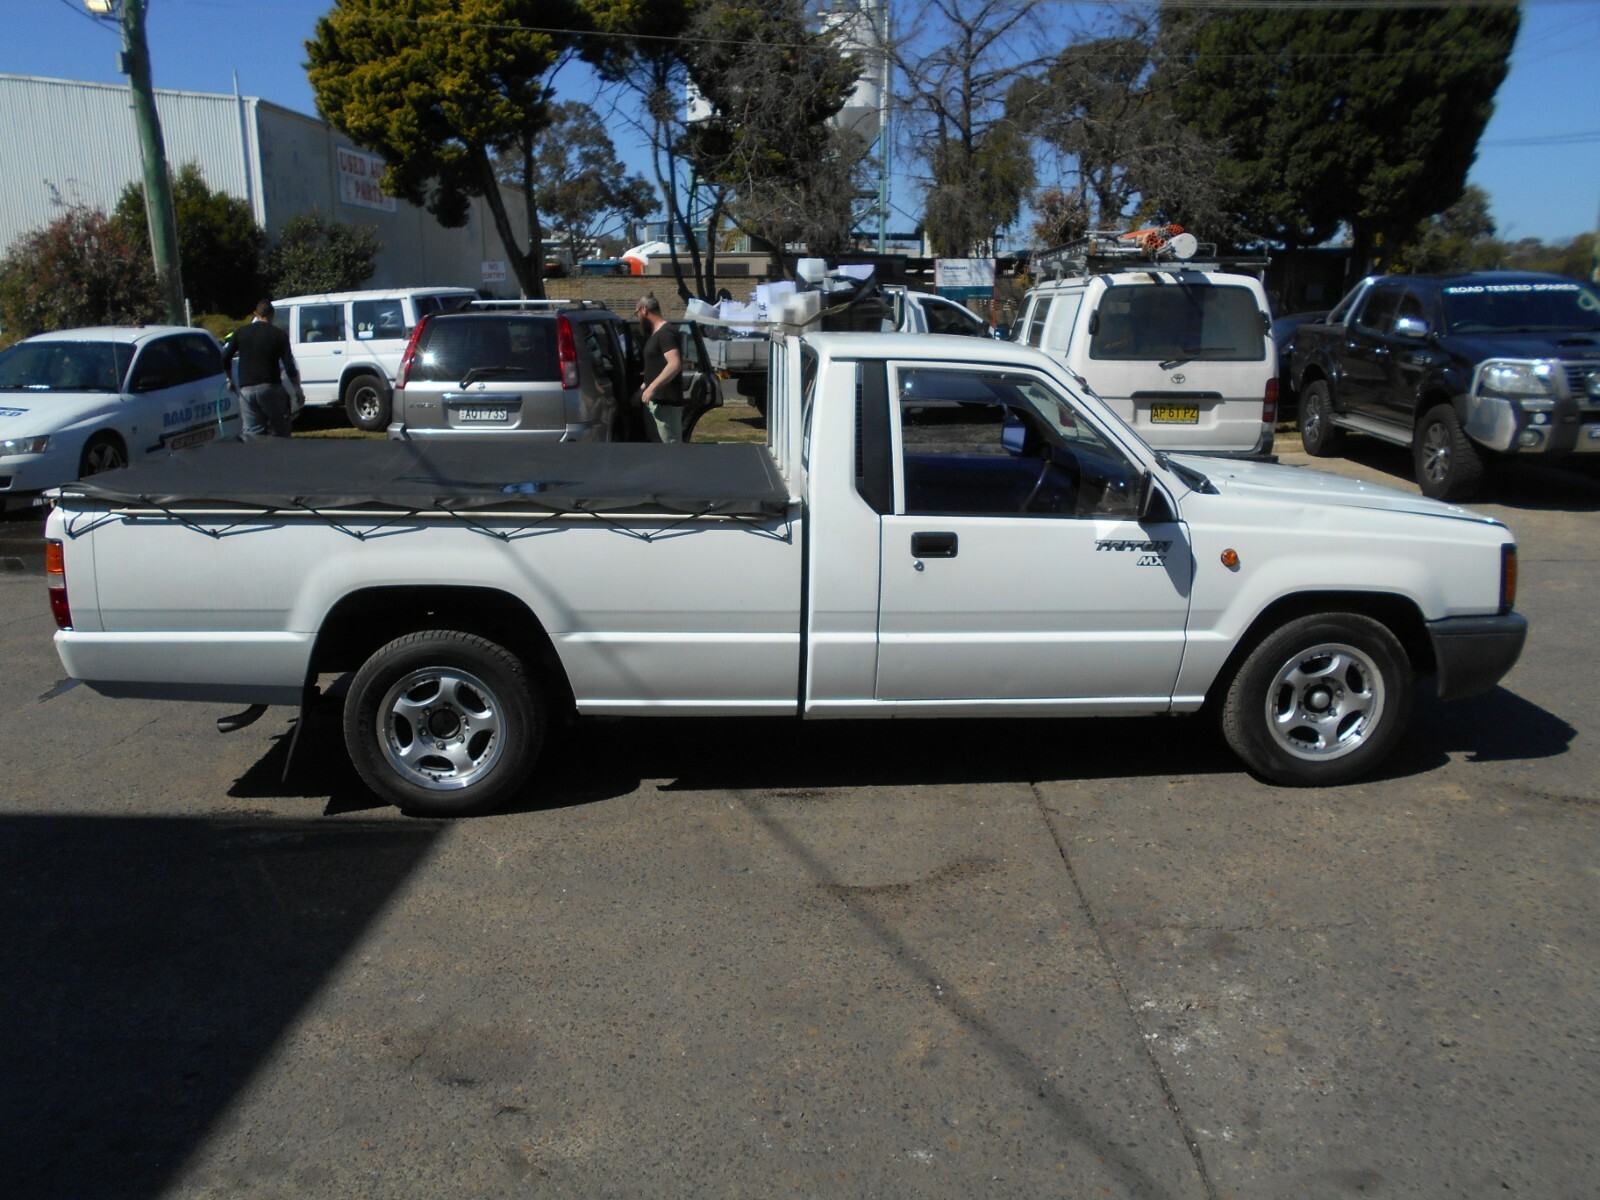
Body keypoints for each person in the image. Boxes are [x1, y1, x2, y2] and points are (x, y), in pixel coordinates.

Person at [221, 299, 304, 440]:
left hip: (246, 390)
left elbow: (225, 357)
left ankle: (257, 460)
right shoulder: (279, 334)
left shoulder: (241, 333)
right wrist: (296, 389)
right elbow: (289, 365)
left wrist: (229, 379)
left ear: (255, 314)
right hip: (270, 388)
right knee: (280, 430)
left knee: (252, 433)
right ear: (272, 314)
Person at [633, 293, 685, 444]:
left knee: (670, 452)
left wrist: (652, 388)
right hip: (656, 403)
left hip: (666, 404)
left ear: (644, 310)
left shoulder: (665, 333)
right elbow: (655, 369)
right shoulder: (656, 334)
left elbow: (674, 364)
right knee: (658, 451)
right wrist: (642, 389)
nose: (638, 318)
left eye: (637, 313)